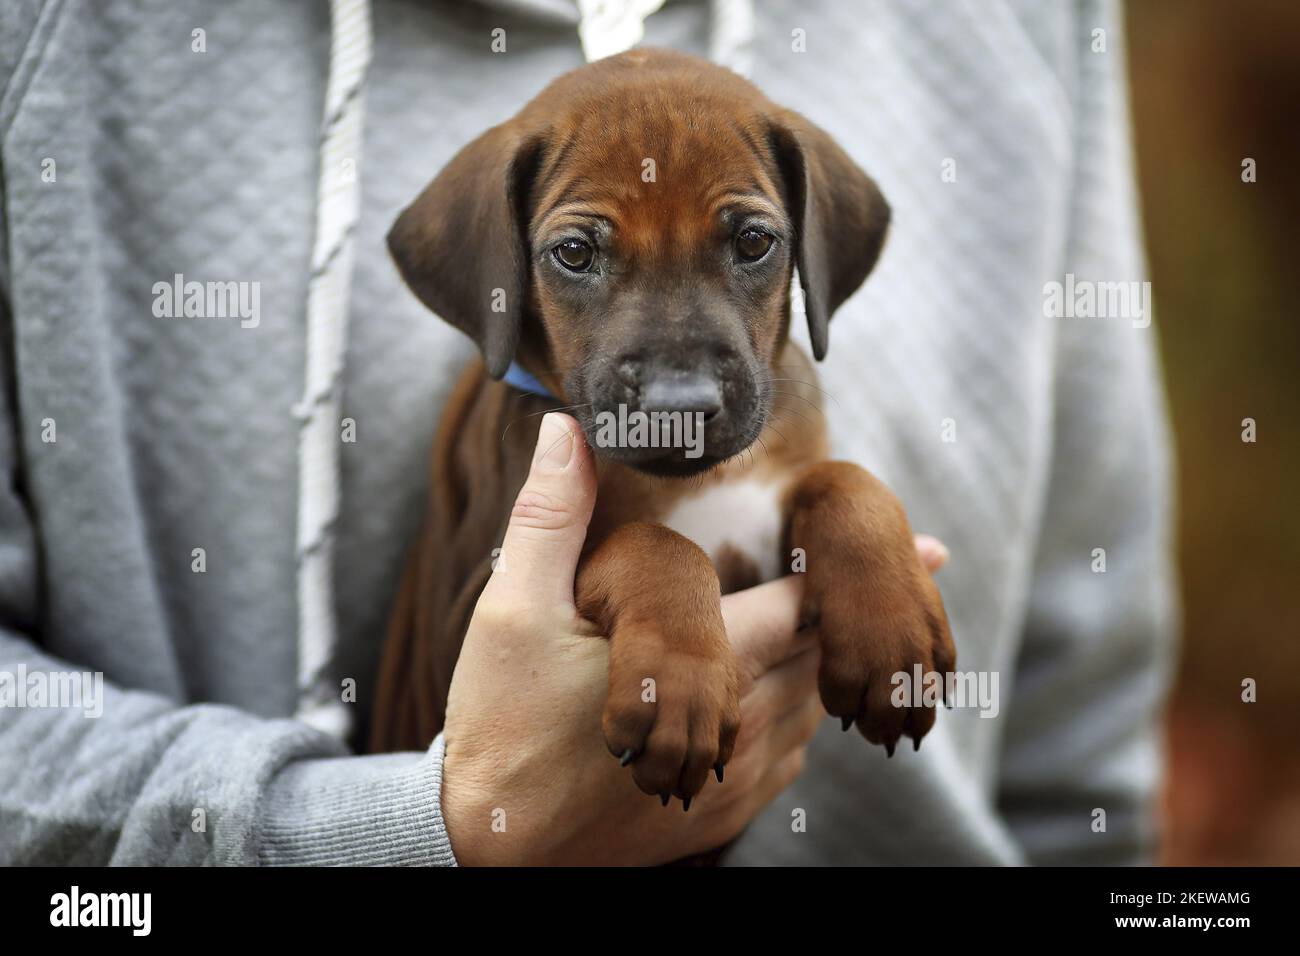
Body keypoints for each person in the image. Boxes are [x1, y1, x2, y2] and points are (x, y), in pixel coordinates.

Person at [0, 0, 1175, 865]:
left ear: (817, 247)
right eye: (581, 255)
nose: (674, 361)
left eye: (747, 245)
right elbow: (570, 583)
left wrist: (849, 520)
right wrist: (391, 832)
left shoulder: (1024, 26)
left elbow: (1085, 738)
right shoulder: (523, 412)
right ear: (496, 271)